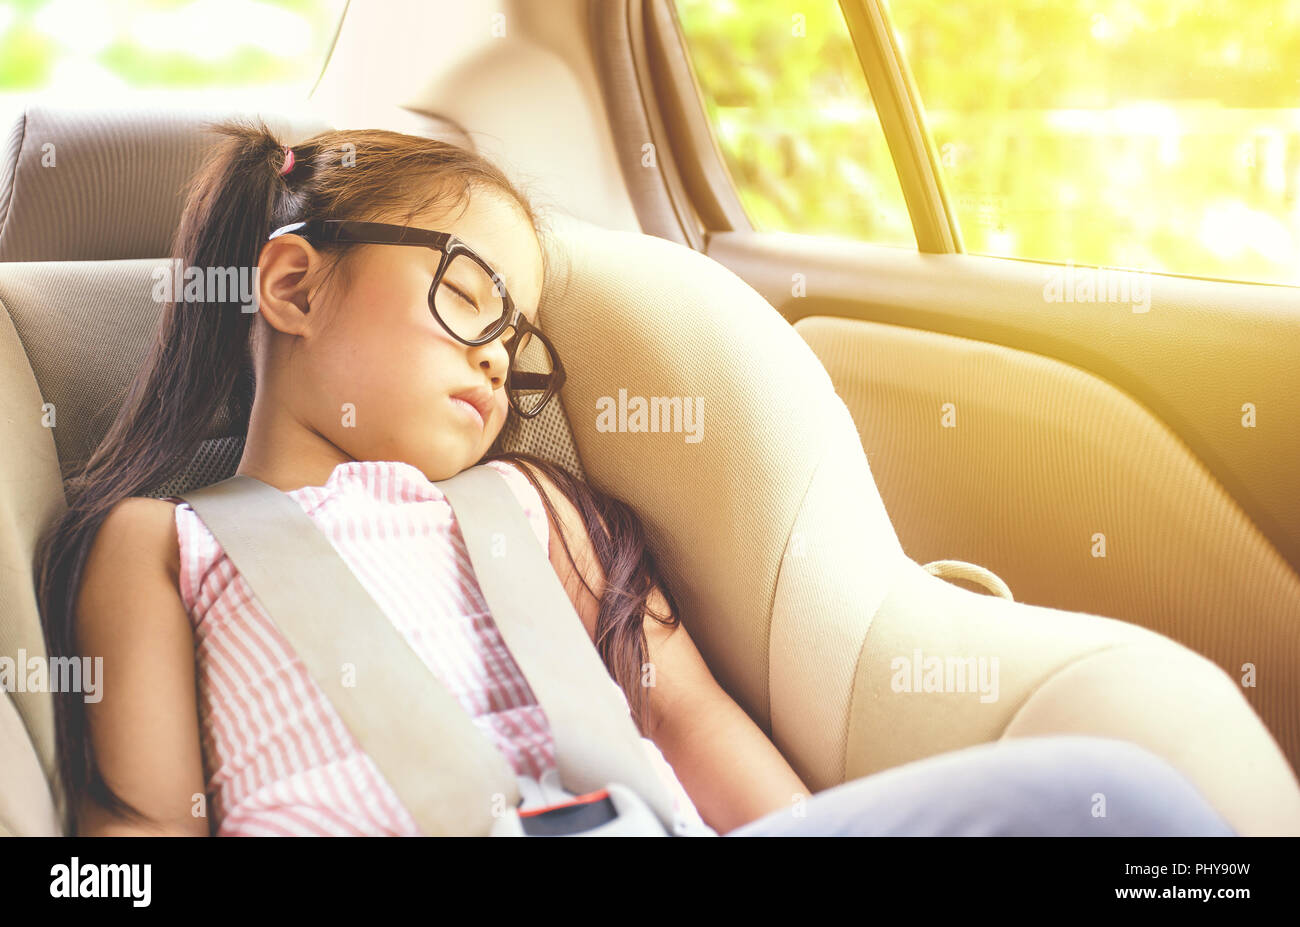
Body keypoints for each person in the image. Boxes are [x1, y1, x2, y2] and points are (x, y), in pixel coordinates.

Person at [34, 122, 1235, 837]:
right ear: (292, 288)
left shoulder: (531, 508)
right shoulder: (165, 546)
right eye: (469, 297)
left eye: (518, 340)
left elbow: (684, 716)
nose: (497, 359)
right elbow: (144, 827)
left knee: (1121, 800)